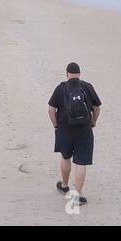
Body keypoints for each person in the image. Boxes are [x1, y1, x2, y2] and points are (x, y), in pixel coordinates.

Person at [48, 62, 101, 205]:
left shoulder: (61, 88)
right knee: (81, 162)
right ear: (79, 74)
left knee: (65, 157)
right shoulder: (87, 87)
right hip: (84, 130)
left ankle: (65, 186)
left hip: (65, 129)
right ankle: (77, 195)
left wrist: (56, 126)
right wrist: (93, 122)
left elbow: (51, 110)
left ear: (67, 74)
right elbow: (97, 108)